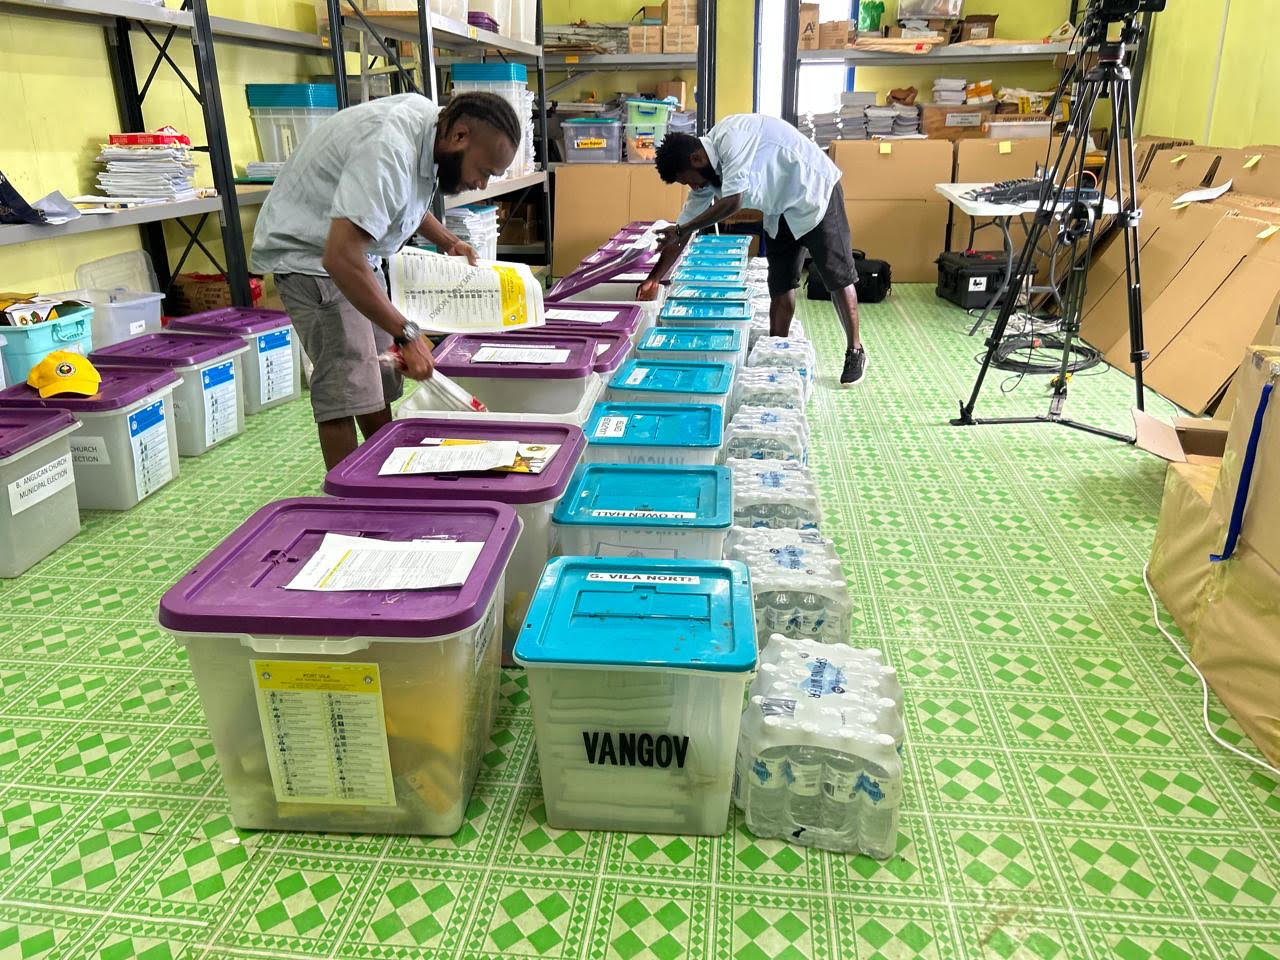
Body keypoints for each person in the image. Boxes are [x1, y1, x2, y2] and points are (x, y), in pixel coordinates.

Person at [252, 92, 521, 468]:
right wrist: (407, 333)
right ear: (460, 136)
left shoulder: (431, 126)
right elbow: (340, 256)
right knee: (345, 389)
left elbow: (400, 198)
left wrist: (449, 241)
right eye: (484, 171)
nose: (481, 185)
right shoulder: (388, 148)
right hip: (314, 259)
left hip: (356, 254)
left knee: (378, 375)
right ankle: (350, 502)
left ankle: (385, 470)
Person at [638, 114, 867, 387]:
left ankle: (856, 350)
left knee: (837, 276)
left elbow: (733, 202)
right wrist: (654, 277)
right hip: (779, 209)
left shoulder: (732, 138)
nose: (693, 187)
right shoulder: (705, 173)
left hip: (815, 193)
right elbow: (683, 228)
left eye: (688, 181)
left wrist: (682, 229)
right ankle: (776, 354)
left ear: (696, 160)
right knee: (780, 285)